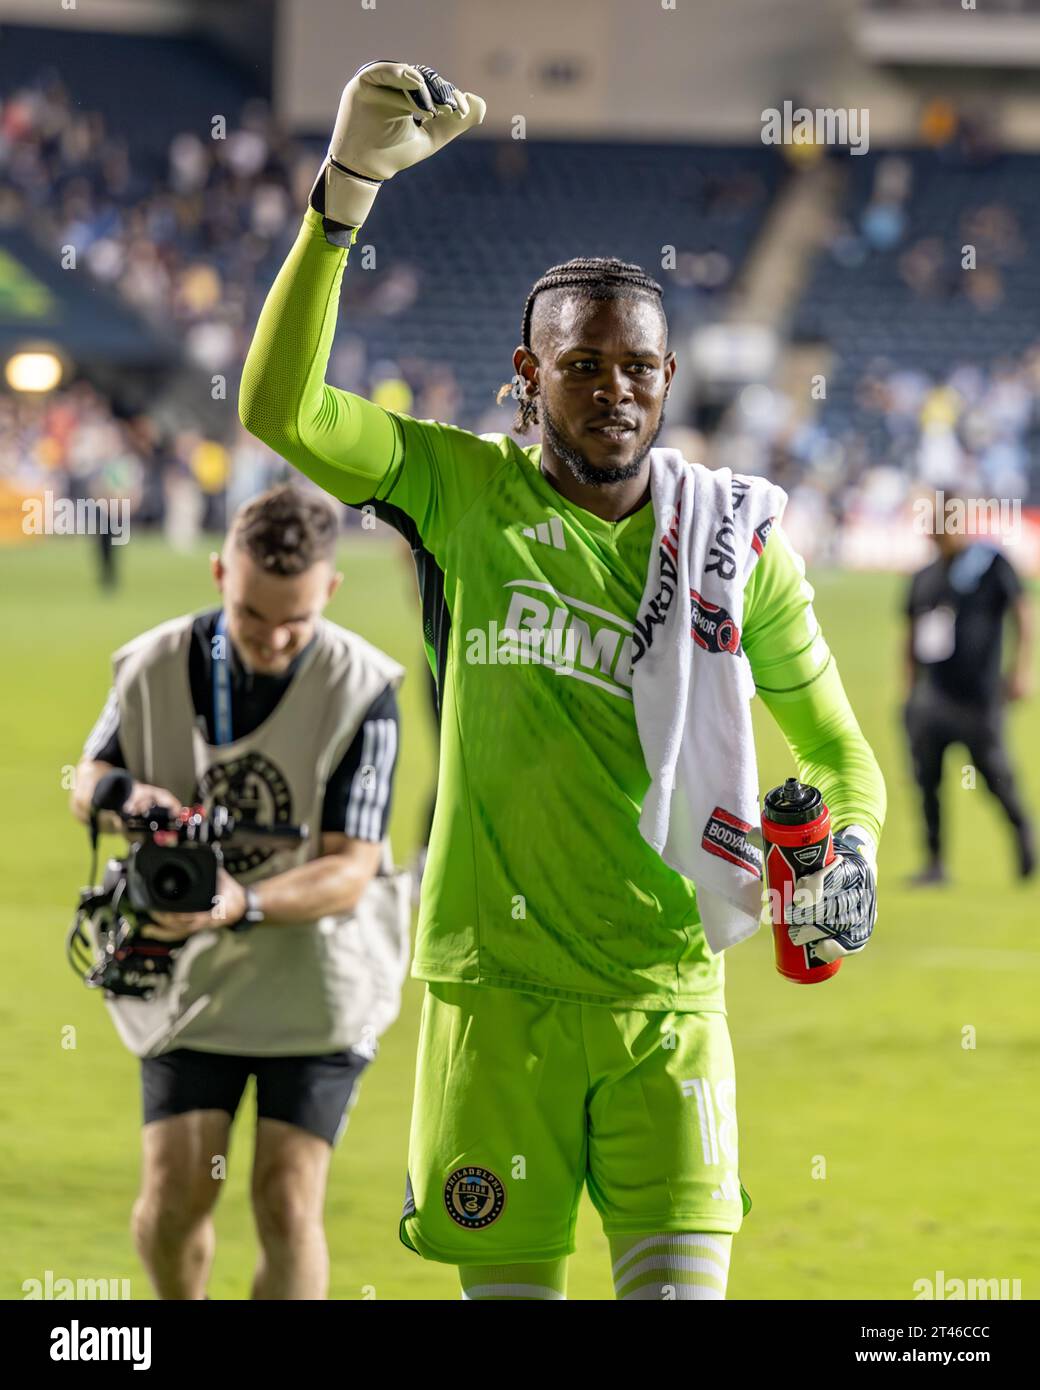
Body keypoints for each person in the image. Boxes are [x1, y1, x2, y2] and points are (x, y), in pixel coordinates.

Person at [239, 60, 887, 1302]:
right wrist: (344, 199)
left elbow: (842, 754)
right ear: (526, 377)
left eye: (638, 368)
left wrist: (844, 848)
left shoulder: (731, 545)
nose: (615, 391)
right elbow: (282, 407)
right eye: (582, 367)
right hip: (494, 1000)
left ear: (669, 380)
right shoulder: (457, 491)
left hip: (667, 1008)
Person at [70, 483, 409, 1299]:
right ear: (222, 573)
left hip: (321, 976)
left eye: (296, 619)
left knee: (287, 1204)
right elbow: (89, 778)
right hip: (191, 976)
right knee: (177, 1194)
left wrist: (241, 903)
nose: (274, 638)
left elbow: (352, 866)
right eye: (252, 615)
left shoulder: (363, 688)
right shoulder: (154, 661)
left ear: (329, 589)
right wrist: (131, 800)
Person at [903, 518, 1034, 884]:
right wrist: (909, 693)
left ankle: (1025, 844)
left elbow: (1022, 612)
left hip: (979, 699)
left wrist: (1020, 671)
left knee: (995, 777)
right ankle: (935, 864)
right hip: (932, 699)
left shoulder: (990, 565)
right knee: (928, 782)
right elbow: (910, 635)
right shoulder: (925, 576)